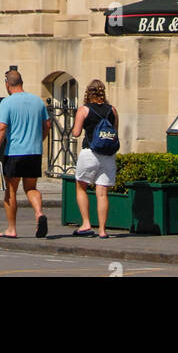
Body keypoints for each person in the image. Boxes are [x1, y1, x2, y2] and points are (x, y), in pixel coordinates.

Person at [0, 68, 51, 238]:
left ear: (7, 84)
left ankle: (11, 228)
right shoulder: (38, 101)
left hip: (15, 152)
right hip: (34, 152)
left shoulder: (7, 103)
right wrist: (39, 140)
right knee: (31, 188)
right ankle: (39, 213)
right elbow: (47, 125)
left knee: (11, 190)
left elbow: (1, 127)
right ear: (21, 83)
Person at [71, 78, 120, 238]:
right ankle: (103, 230)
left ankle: (86, 224)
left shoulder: (84, 110)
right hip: (108, 155)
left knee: (81, 186)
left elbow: (76, 133)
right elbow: (115, 132)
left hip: (90, 152)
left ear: (88, 93)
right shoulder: (112, 110)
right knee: (102, 192)